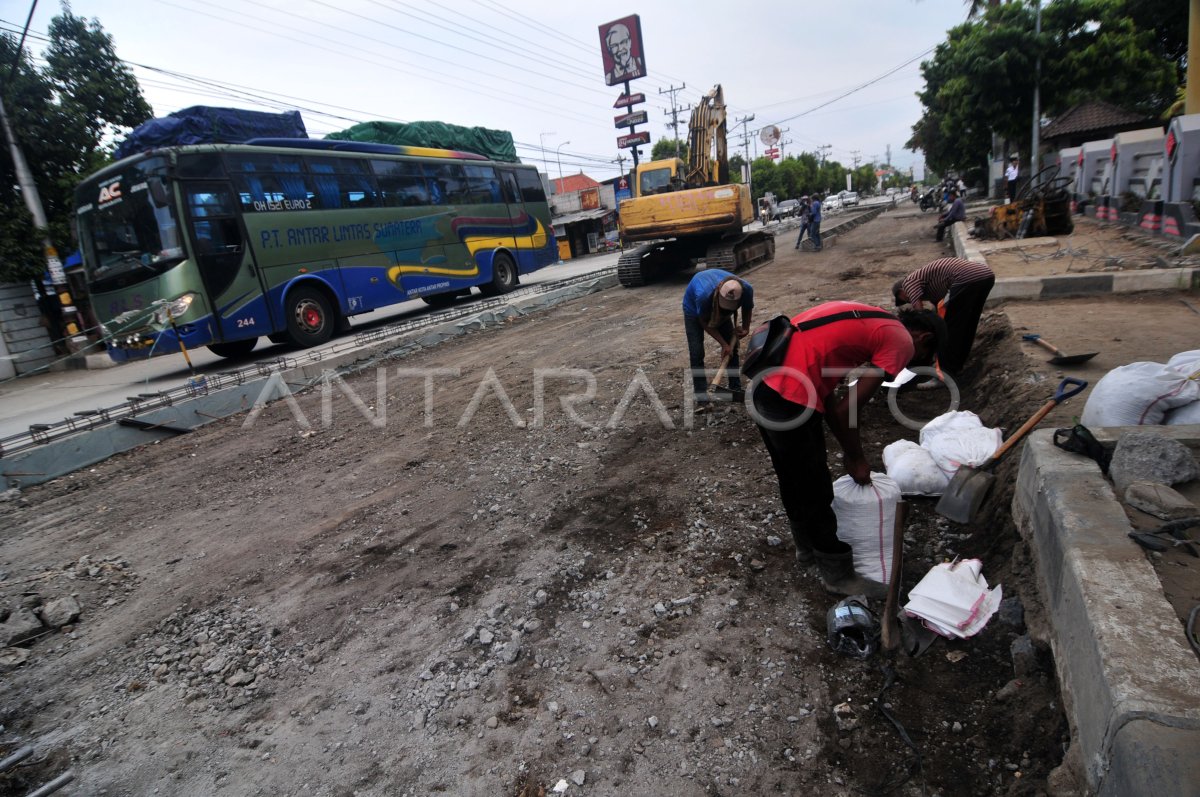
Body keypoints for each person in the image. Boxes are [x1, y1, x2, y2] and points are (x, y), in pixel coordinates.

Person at [749, 301, 945, 597]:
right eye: (919, 360)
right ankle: (837, 576)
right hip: (790, 393)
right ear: (924, 338)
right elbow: (846, 411)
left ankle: (807, 551)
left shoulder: (870, 321)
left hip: (766, 385)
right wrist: (856, 458)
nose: (904, 366)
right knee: (816, 488)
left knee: (792, 476)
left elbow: (828, 395)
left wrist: (841, 440)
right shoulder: (902, 341)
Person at [892, 257, 995, 378]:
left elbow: (920, 313)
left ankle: (944, 372)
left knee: (949, 329)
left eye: (903, 299)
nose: (906, 301)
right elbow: (938, 311)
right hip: (986, 276)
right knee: (966, 324)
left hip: (966, 278)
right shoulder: (934, 288)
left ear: (901, 291)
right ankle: (957, 363)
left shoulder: (909, 283)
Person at [682, 269, 754, 402]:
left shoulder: (747, 289)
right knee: (696, 352)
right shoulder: (703, 296)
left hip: (716, 305)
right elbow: (703, 321)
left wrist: (746, 328)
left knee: (732, 349)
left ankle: (735, 387)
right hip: (693, 312)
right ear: (719, 289)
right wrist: (723, 344)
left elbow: (747, 307)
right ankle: (701, 396)